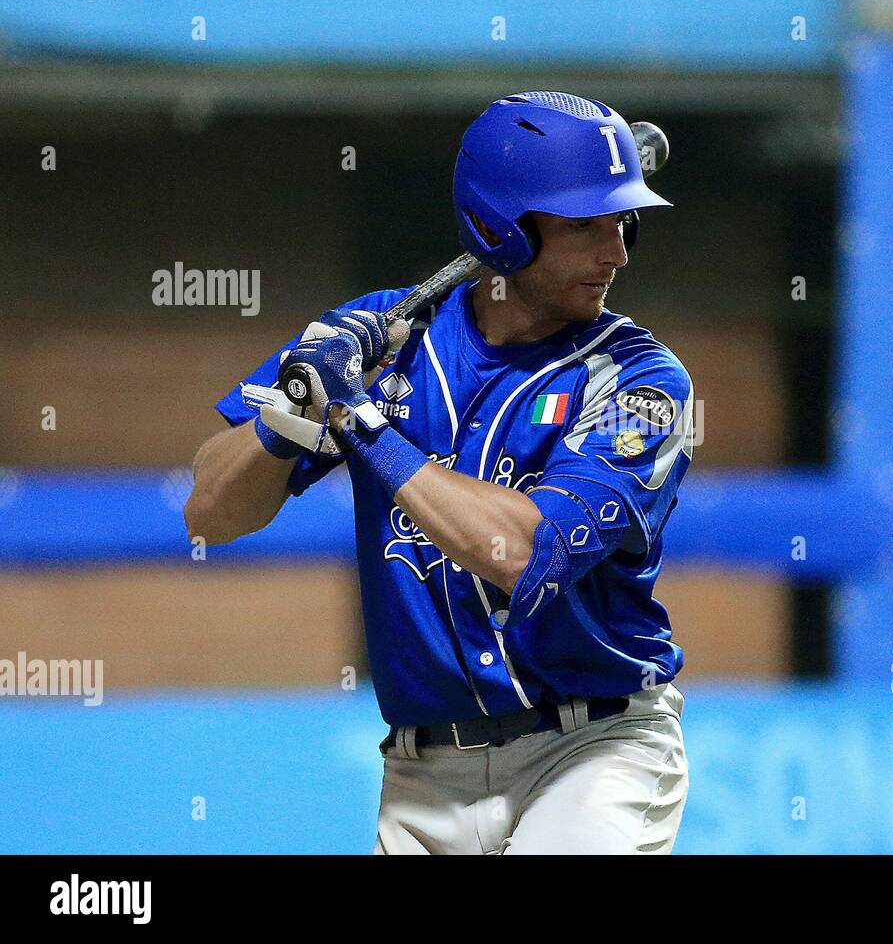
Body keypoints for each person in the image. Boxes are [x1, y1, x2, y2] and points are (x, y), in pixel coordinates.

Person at [184, 92, 695, 853]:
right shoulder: (384, 338)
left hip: (593, 752)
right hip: (423, 773)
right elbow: (209, 513)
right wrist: (289, 421)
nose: (616, 252)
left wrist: (360, 419)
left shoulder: (644, 386)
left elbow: (523, 554)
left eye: (623, 223)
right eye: (585, 225)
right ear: (503, 229)